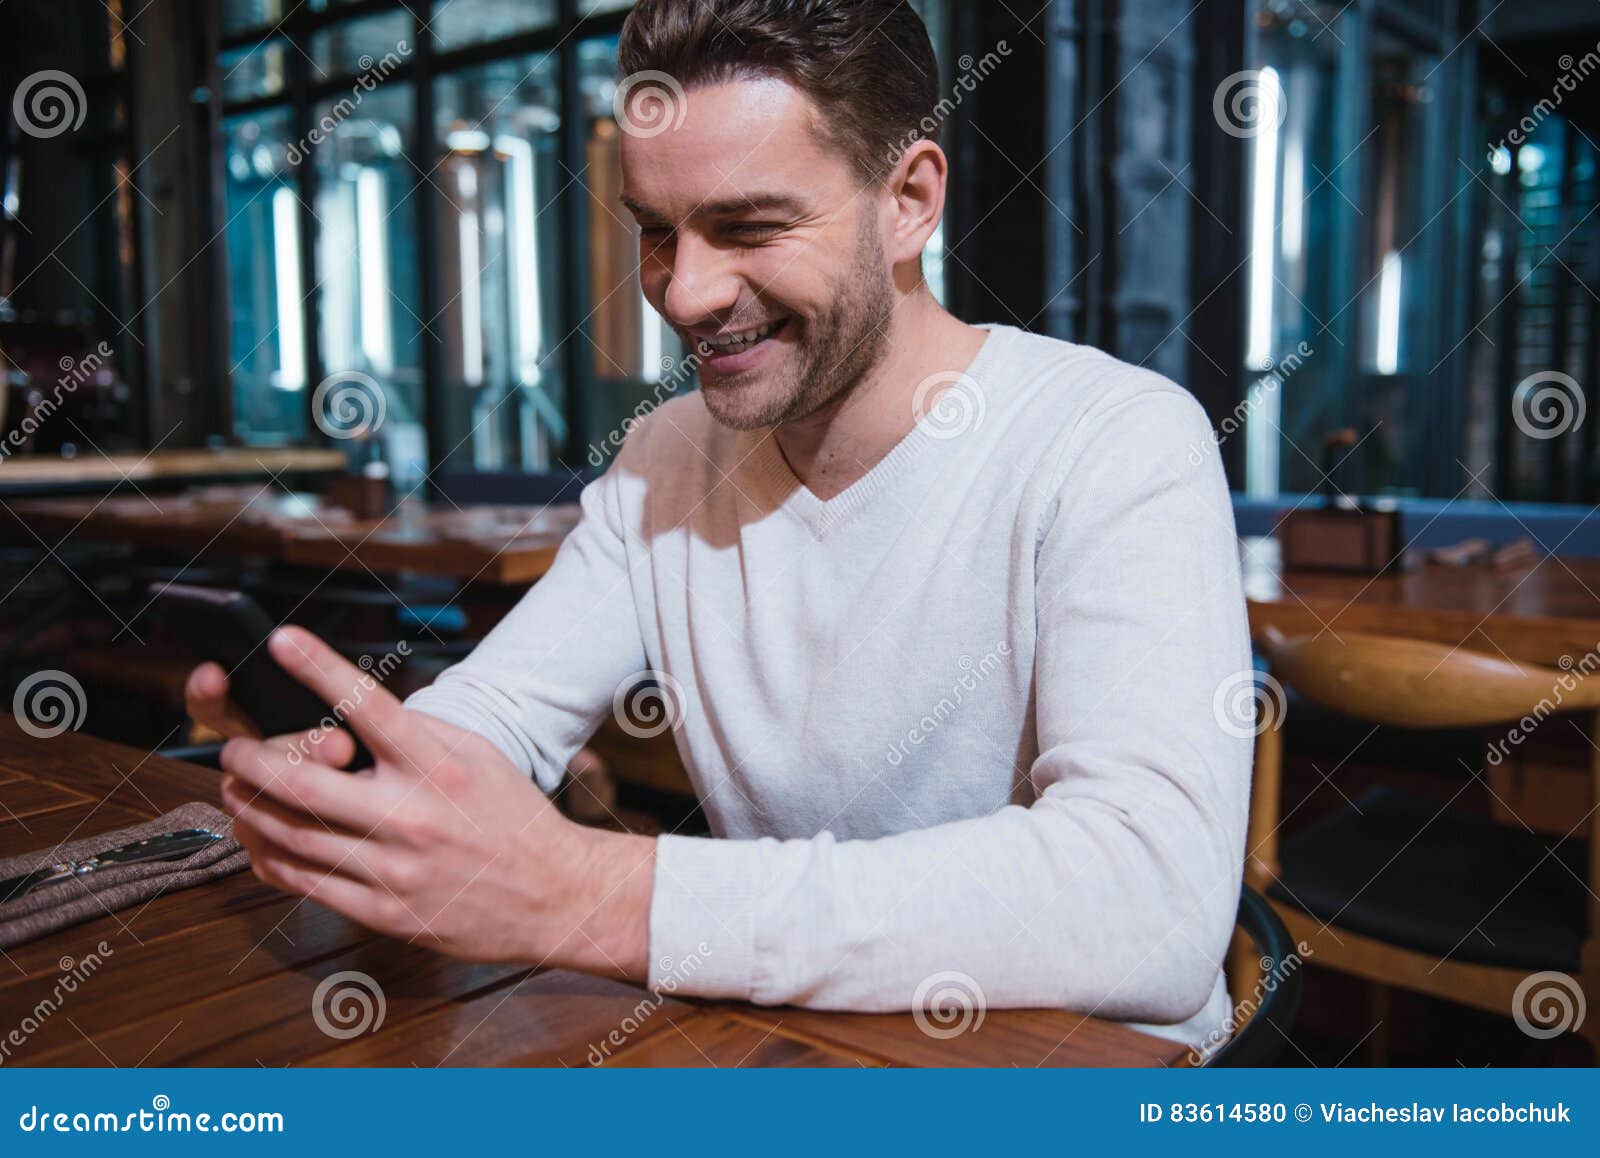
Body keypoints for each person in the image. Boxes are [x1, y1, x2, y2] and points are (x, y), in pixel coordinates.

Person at [188, 0, 1252, 1049]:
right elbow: (504, 712)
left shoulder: (1114, 439)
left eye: (749, 226)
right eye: (656, 230)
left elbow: (1149, 903)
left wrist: (598, 896)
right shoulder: (668, 454)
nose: (685, 293)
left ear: (910, 200)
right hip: (809, 1049)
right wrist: (370, 785)